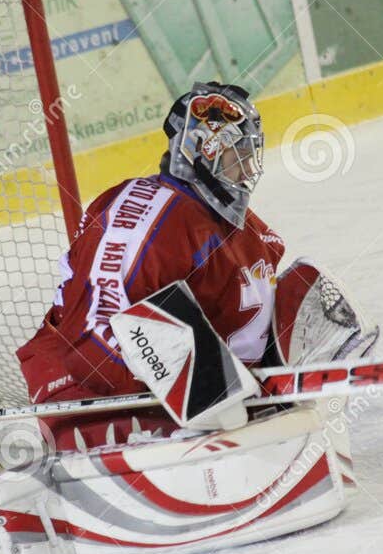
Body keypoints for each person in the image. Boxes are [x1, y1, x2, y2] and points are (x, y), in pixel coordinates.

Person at [16, 82, 285, 451]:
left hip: (186, 391)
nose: (247, 169)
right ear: (201, 154)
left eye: (249, 155)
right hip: (91, 391)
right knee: (222, 414)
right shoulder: (152, 221)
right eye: (235, 157)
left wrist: (272, 373)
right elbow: (99, 329)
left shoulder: (233, 223)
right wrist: (196, 397)